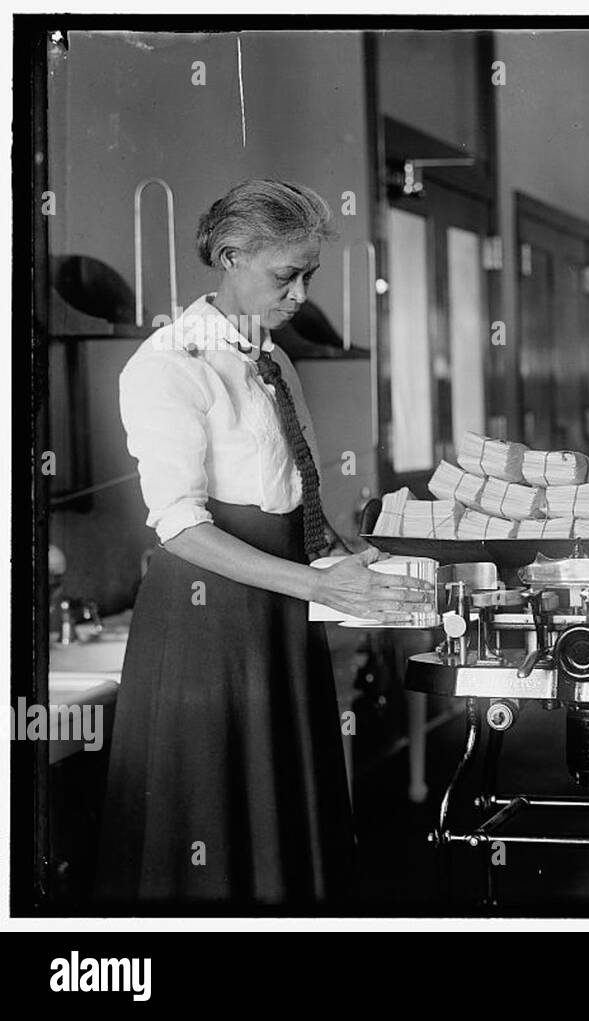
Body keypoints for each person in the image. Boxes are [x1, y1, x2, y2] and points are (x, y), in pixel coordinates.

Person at [96, 180, 436, 907]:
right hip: (208, 618)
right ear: (230, 256)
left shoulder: (274, 360)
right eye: (288, 274)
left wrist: (350, 559)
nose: (302, 292)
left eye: (309, 272)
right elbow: (181, 526)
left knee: (286, 810)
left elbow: (295, 500)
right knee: (217, 817)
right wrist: (318, 586)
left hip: (284, 610)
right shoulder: (168, 365)